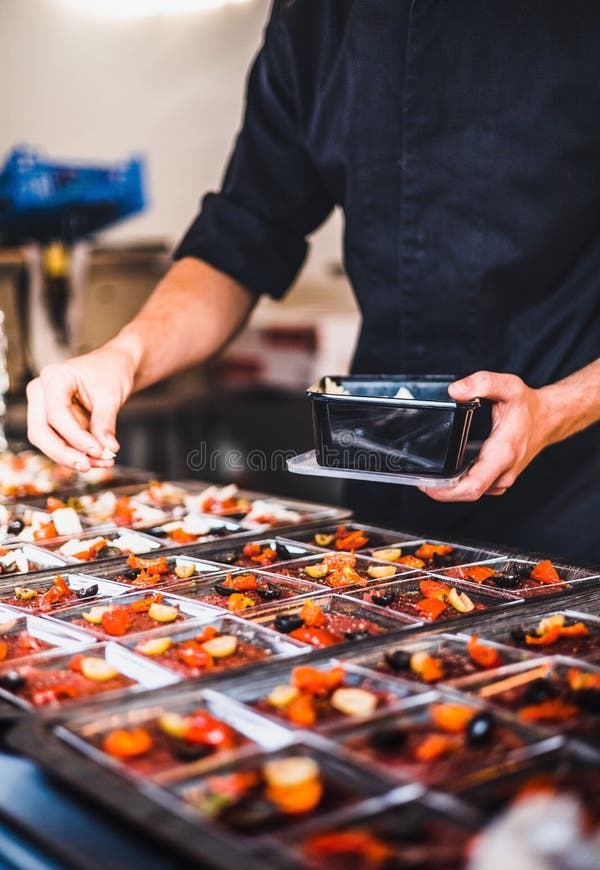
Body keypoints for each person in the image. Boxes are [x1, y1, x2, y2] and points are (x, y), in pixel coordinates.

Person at [26, 1, 600, 562]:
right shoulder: (313, 18)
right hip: (385, 474)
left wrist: (556, 409)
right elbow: (242, 235)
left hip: (573, 485)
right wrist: (124, 355)